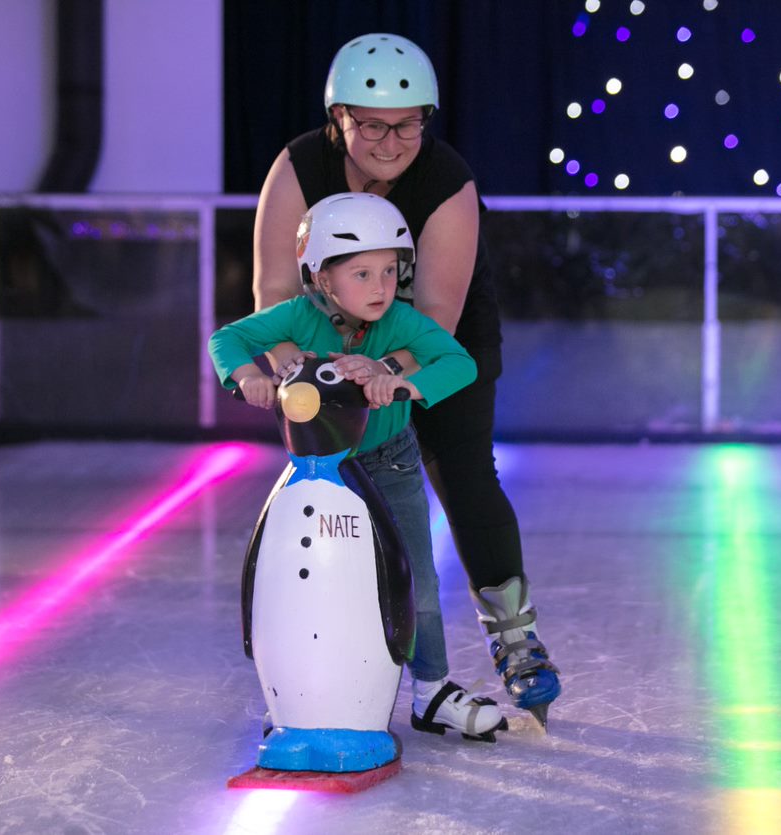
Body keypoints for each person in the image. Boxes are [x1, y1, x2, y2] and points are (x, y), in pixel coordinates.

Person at [251, 33, 561, 725]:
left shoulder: (447, 181)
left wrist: (383, 371)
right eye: (370, 124)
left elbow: (436, 318)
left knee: (463, 472)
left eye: (409, 122)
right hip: (330, 341)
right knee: (335, 486)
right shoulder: (299, 166)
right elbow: (273, 294)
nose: (391, 141)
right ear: (338, 120)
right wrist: (306, 374)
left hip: (432, 335)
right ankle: (330, 655)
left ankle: (514, 635)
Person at [211, 192, 508, 741]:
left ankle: (431, 690)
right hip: (319, 468)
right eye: (363, 273)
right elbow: (228, 338)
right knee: (310, 579)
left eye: (391, 272)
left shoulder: (401, 321)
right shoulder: (298, 316)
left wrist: (405, 383)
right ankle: (300, 690)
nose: (380, 287)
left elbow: (459, 361)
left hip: (391, 464)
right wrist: (246, 377)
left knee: (414, 576)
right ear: (322, 280)